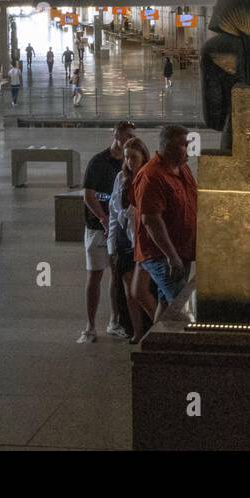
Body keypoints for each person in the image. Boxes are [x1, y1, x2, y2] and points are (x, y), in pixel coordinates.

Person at [79, 122, 138, 342]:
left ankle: (114, 321)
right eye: (126, 135)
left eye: (132, 136)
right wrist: (103, 219)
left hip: (119, 231)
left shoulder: (128, 164)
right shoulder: (98, 162)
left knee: (117, 275)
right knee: (95, 273)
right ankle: (90, 326)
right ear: (116, 134)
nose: (128, 140)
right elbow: (89, 195)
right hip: (96, 228)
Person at [133, 124, 198, 309]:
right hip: (161, 255)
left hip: (181, 250)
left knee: (166, 306)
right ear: (168, 147)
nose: (188, 149)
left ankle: (155, 338)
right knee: (184, 306)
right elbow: (151, 221)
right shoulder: (151, 176)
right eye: (184, 145)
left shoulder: (182, 170)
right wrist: (171, 256)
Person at [109, 135, 152, 341]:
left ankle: (155, 327)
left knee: (142, 290)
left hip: (143, 240)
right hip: (125, 239)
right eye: (126, 157)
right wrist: (111, 243)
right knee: (129, 292)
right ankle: (137, 331)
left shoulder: (148, 178)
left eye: (133, 157)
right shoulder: (121, 178)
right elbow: (113, 210)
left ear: (143, 156)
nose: (129, 161)